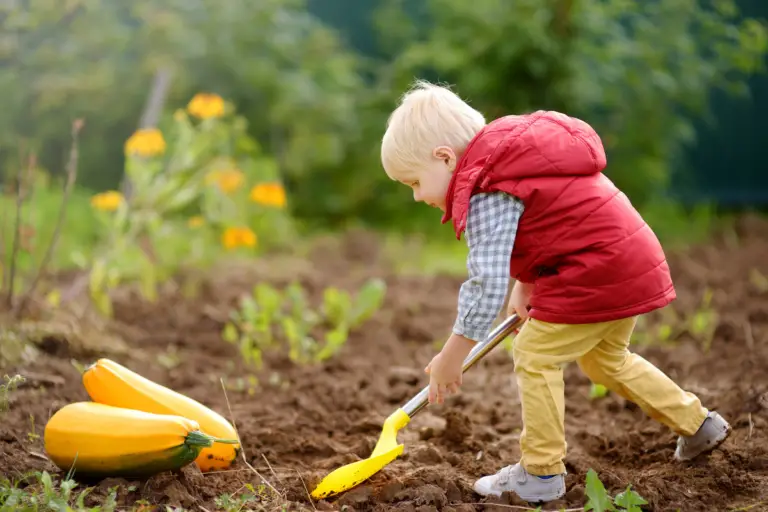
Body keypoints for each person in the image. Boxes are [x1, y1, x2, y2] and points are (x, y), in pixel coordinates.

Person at [379, 80, 731, 503]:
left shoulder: (487, 190)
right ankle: (698, 424)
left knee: (535, 353)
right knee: (606, 361)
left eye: (414, 182)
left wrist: (452, 355)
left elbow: (486, 281)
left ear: (445, 158)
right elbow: (550, 223)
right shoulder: (514, 161)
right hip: (625, 258)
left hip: (595, 269)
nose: (417, 197)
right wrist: (526, 285)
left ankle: (541, 473)